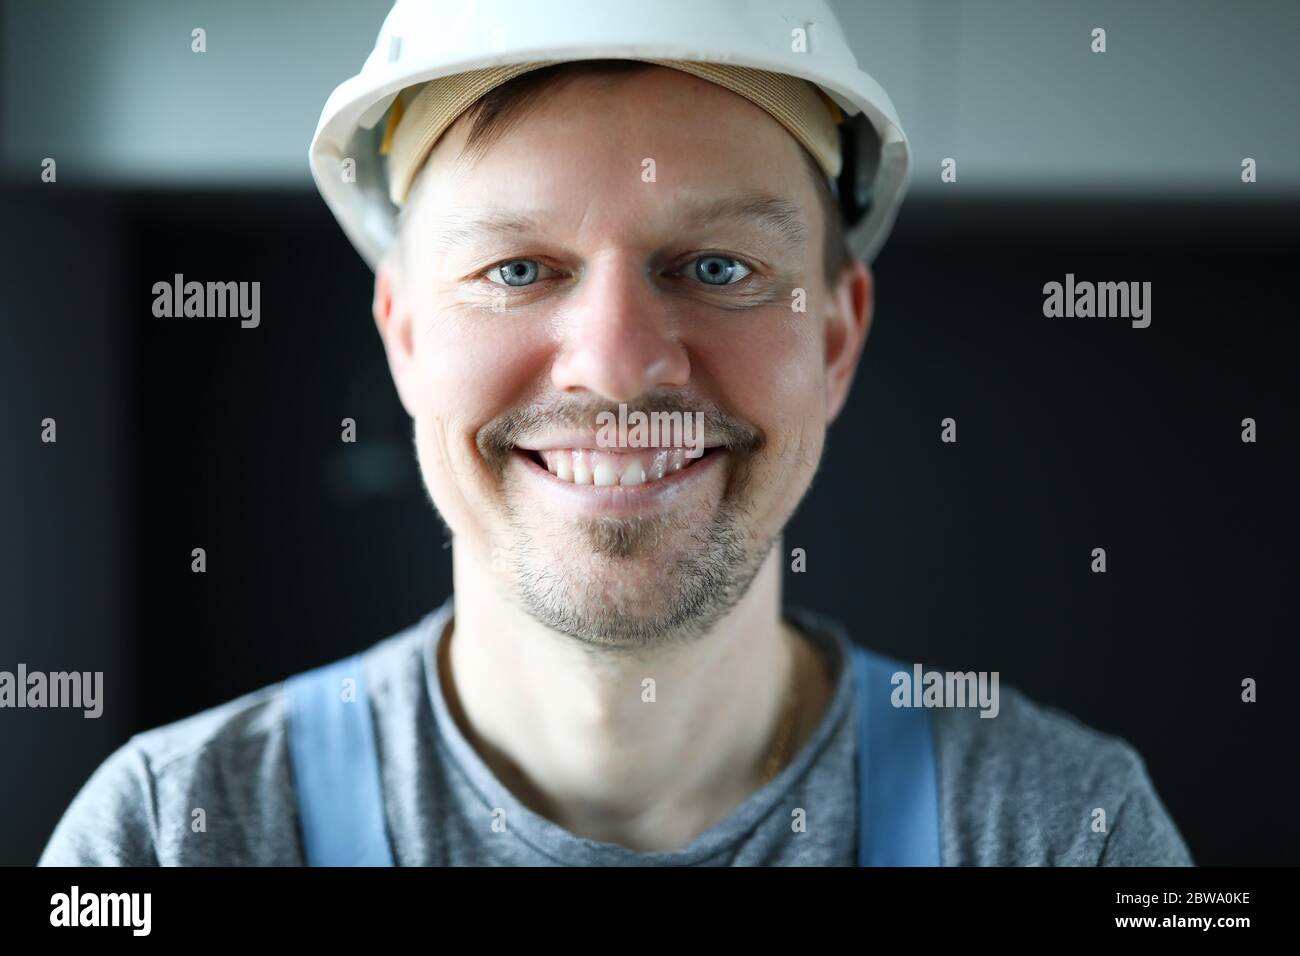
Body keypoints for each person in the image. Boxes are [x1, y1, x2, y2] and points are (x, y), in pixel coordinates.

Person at [40, 0, 1192, 866]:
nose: (618, 361)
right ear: (403, 337)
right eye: (517, 268)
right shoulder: (171, 833)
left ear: (835, 338)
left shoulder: (1064, 830)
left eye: (719, 266)